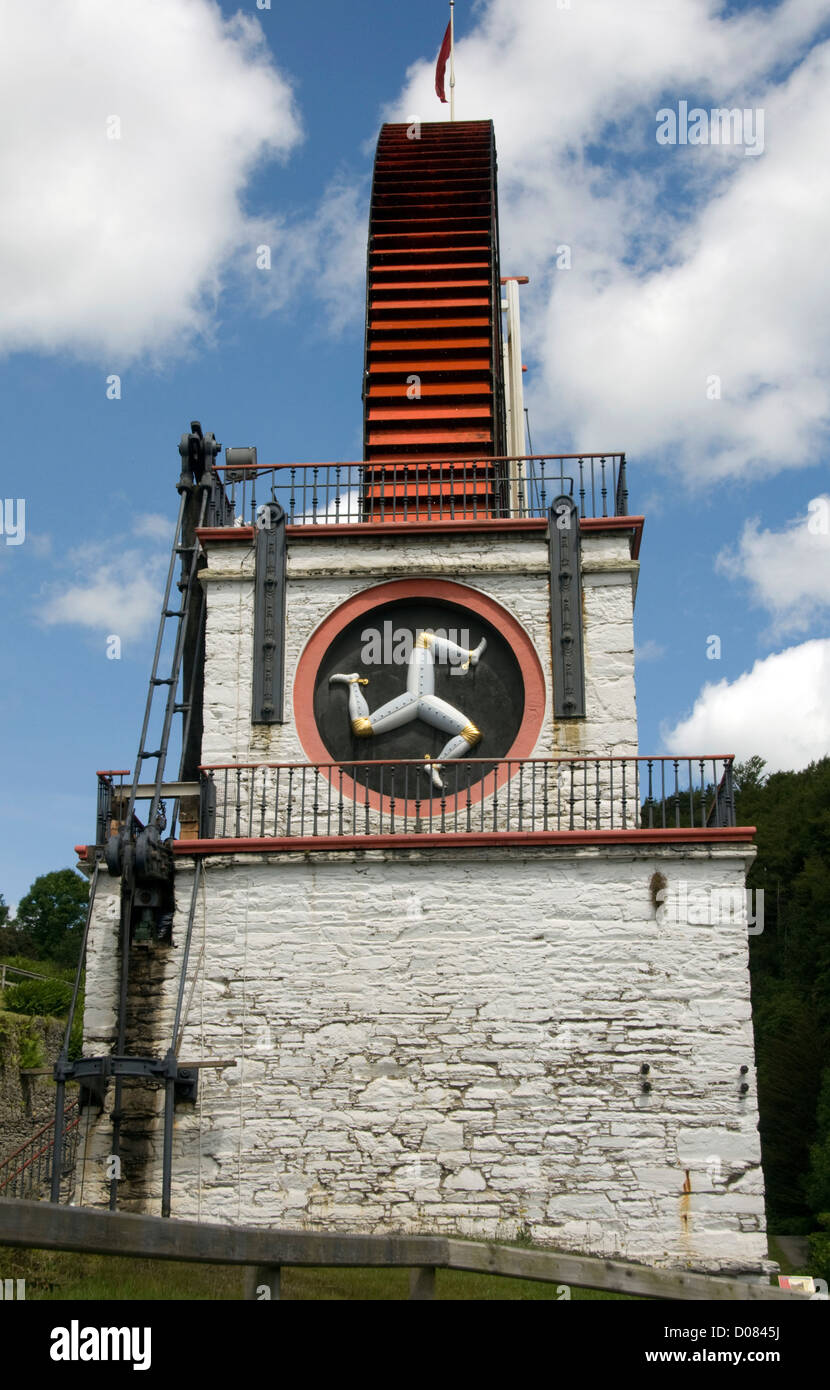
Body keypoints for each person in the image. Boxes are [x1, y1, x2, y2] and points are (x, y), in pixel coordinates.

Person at [329, 631, 487, 789]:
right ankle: (353, 681)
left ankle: (353, 682)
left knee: (424, 640)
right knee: (424, 639)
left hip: (420, 699)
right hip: (418, 699)